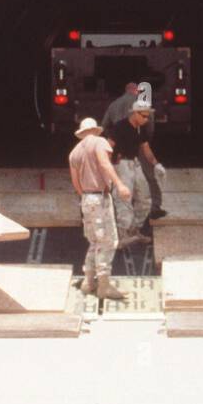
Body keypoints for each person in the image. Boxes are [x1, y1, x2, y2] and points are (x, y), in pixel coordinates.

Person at [68, 117, 132, 301]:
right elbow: (104, 164)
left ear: (82, 133)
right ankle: (104, 286)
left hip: (86, 199)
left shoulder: (74, 153)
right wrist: (119, 184)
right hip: (99, 197)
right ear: (95, 130)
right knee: (107, 241)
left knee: (94, 241)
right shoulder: (99, 142)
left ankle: (88, 282)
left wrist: (86, 196)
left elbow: (75, 182)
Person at [102, 81, 167, 222]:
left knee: (128, 189)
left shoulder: (114, 105)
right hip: (129, 153)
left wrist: (113, 138)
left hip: (125, 155)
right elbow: (149, 129)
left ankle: (128, 220)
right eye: (144, 116)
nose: (146, 118)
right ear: (136, 91)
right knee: (146, 180)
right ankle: (153, 209)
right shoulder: (140, 104)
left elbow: (104, 125)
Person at [107, 95, 157, 247]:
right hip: (121, 164)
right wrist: (108, 169)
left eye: (148, 117)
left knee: (145, 198)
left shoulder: (140, 128)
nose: (146, 119)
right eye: (144, 116)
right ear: (135, 113)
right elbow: (108, 147)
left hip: (135, 164)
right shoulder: (120, 127)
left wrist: (156, 165)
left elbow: (146, 148)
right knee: (124, 199)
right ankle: (123, 234)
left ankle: (134, 230)